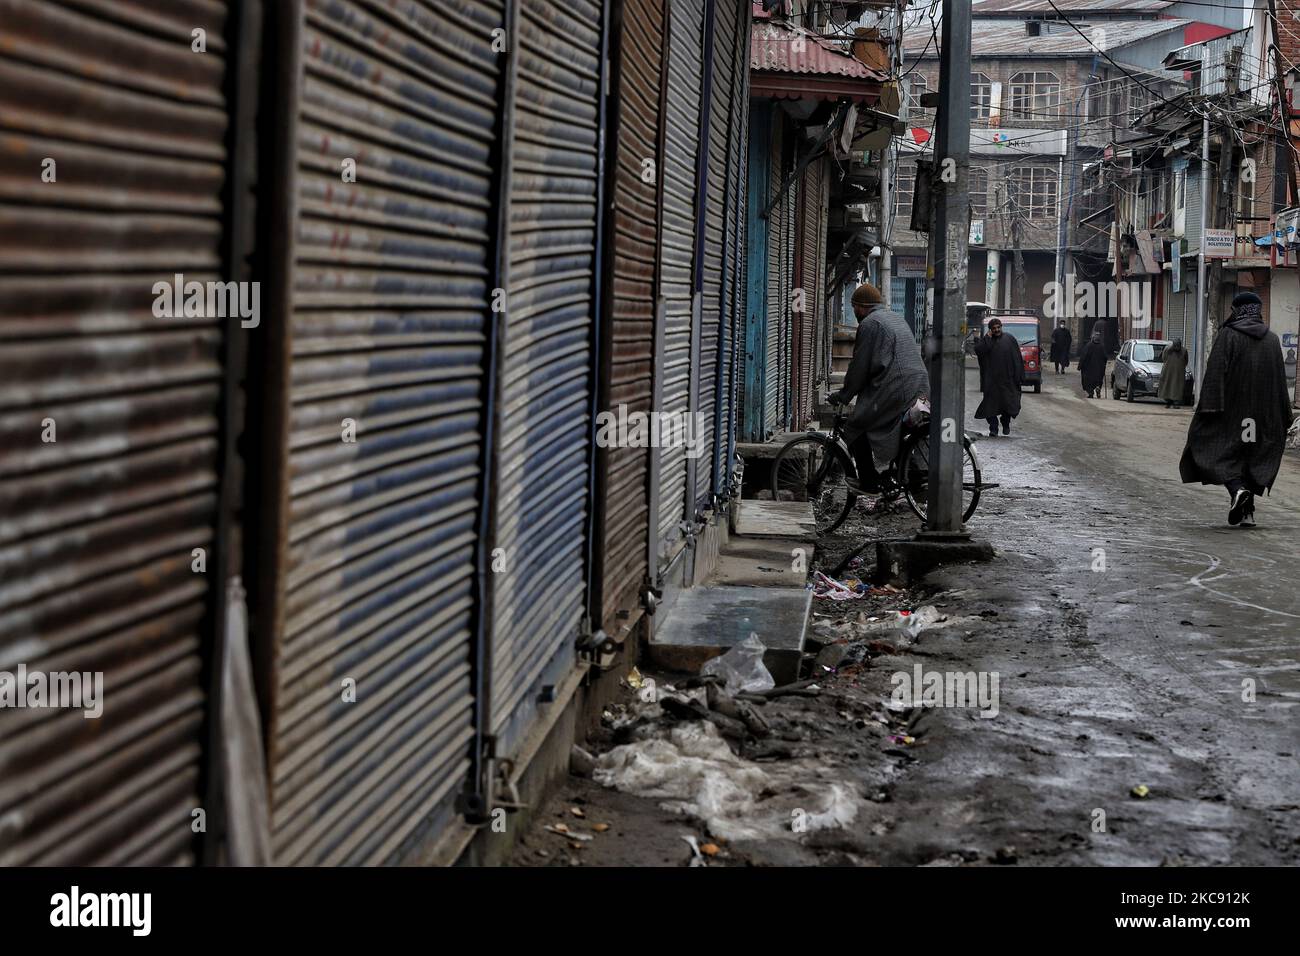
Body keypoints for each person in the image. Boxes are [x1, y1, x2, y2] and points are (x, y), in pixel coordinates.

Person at [1179, 291, 1294, 527]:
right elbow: (1280, 382)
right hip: (1263, 417)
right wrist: (1284, 414)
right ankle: (1247, 512)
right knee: (1252, 458)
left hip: (1232, 415)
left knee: (1218, 451)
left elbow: (1215, 372)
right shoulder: (1272, 340)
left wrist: (1209, 408)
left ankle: (1237, 490)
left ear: (1238, 310)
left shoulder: (1228, 336)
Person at [829, 282, 929, 493]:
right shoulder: (894, 317)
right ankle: (897, 473)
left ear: (861, 306)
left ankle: (869, 483)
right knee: (900, 429)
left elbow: (860, 367)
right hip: (918, 383)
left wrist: (844, 395)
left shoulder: (870, 324)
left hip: (898, 386)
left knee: (857, 425)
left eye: (854, 306)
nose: (855, 312)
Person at [973, 317, 1023, 436]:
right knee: (990, 407)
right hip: (991, 382)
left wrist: (1019, 376)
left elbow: (1017, 358)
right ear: (990, 330)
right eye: (994, 328)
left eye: (998, 327)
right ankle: (993, 428)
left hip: (1007, 380)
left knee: (1008, 405)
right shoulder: (986, 341)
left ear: (1001, 327)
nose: (997, 330)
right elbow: (979, 351)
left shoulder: (1009, 339)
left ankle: (1005, 424)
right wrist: (987, 338)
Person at [1158, 337, 1188, 408]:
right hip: (1168, 372)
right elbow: (1164, 358)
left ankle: (1176, 403)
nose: (1177, 347)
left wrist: (1181, 367)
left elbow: (1186, 361)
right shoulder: (1167, 350)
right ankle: (1168, 401)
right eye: (1176, 346)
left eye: (1178, 346)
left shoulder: (1184, 351)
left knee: (1178, 387)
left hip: (1179, 373)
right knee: (1168, 386)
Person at [1078, 330, 1107, 399]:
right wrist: (1103, 365)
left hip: (1088, 369)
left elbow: (1083, 356)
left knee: (1088, 381)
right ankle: (1098, 387)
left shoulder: (1088, 345)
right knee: (1098, 380)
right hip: (1099, 369)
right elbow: (1105, 357)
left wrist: (1080, 366)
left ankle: (1090, 392)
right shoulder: (1101, 347)